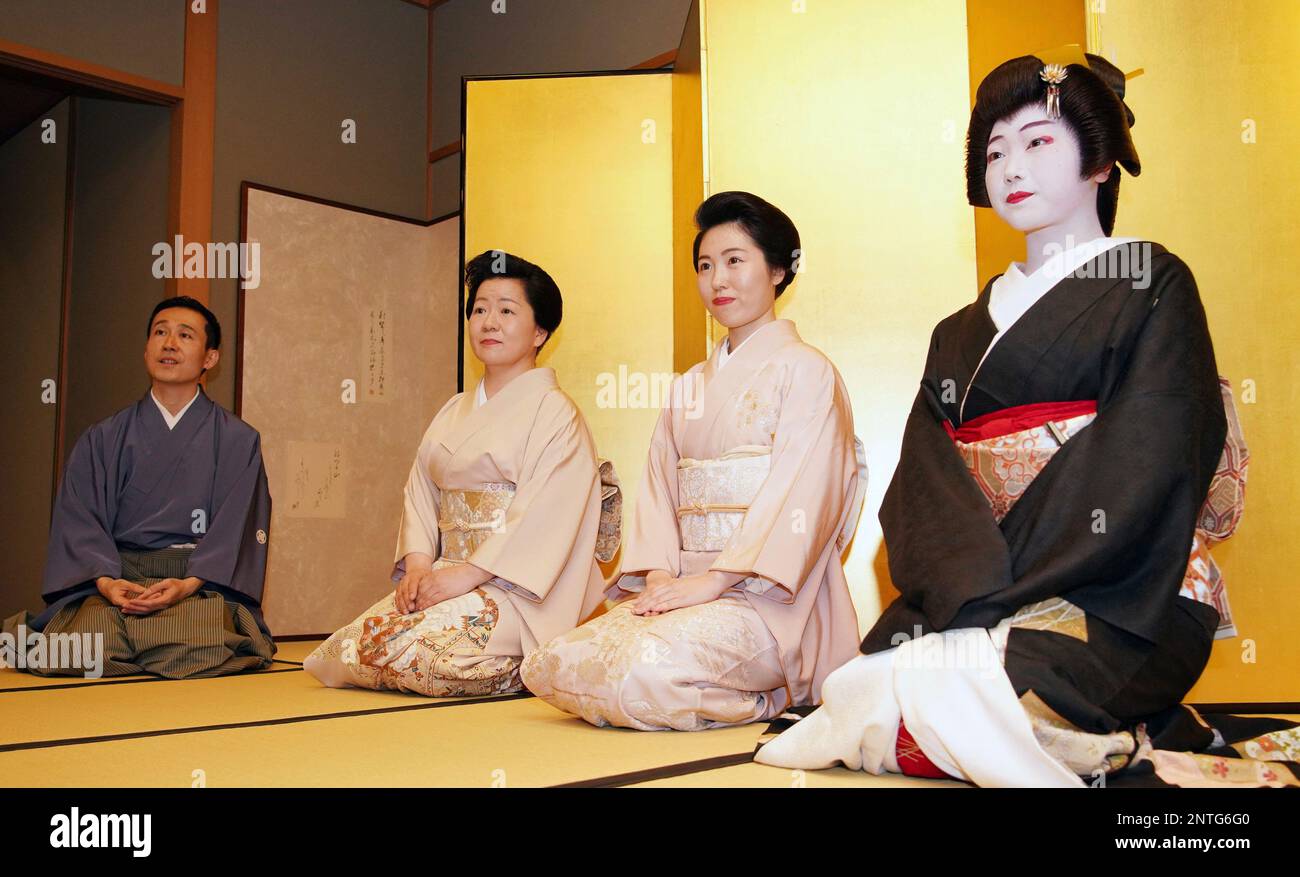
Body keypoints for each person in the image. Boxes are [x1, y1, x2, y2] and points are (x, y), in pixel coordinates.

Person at [755, 49, 1296, 788]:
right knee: (861, 688)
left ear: (1100, 162)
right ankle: (1080, 724)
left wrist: (1012, 586)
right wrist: (972, 589)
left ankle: (1070, 715)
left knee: (968, 693)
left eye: (1038, 142)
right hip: (977, 586)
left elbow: (1155, 453)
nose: (1011, 167)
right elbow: (924, 485)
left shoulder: (1152, 282)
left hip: (1124, 583)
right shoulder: (958, 331)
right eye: (995, 151)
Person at [521, 192, 867, 730]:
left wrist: (717, 580)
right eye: (705, 266)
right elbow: (660, 493)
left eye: (735, 260)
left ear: (778, 270)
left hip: (769, 601)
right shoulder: (687, 387)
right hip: (682, 588)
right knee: (551, 664)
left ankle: (772, 697)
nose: (717, 280)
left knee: (639, 674)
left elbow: (805, 495)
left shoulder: (807, 371)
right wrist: (662, 576)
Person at [304, 250, 619, 697]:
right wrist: (418, 567)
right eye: (480, 310)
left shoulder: (555, 413)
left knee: (420, 655)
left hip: (512, 586)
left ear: (540, 332)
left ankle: (525, 661)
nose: (489, 322)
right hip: (443, 575)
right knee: (347, 651)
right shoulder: (454, 408)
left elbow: (542, 517)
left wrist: (468, 575)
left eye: (506, 311)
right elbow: (420, 492)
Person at [2, 296, 276, 678]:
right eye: (160, 333)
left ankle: (148, 643)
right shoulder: (103, 437)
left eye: (185, 335)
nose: (169, 344)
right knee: (83, 648)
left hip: (195, 584)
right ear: (146, 349)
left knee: (197, 642)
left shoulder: (237, 440)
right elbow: (79, 520)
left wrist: (187, 584)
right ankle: (133, 642)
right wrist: (106, 582)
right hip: (116, 579)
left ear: (210, 358)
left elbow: (237, 528)